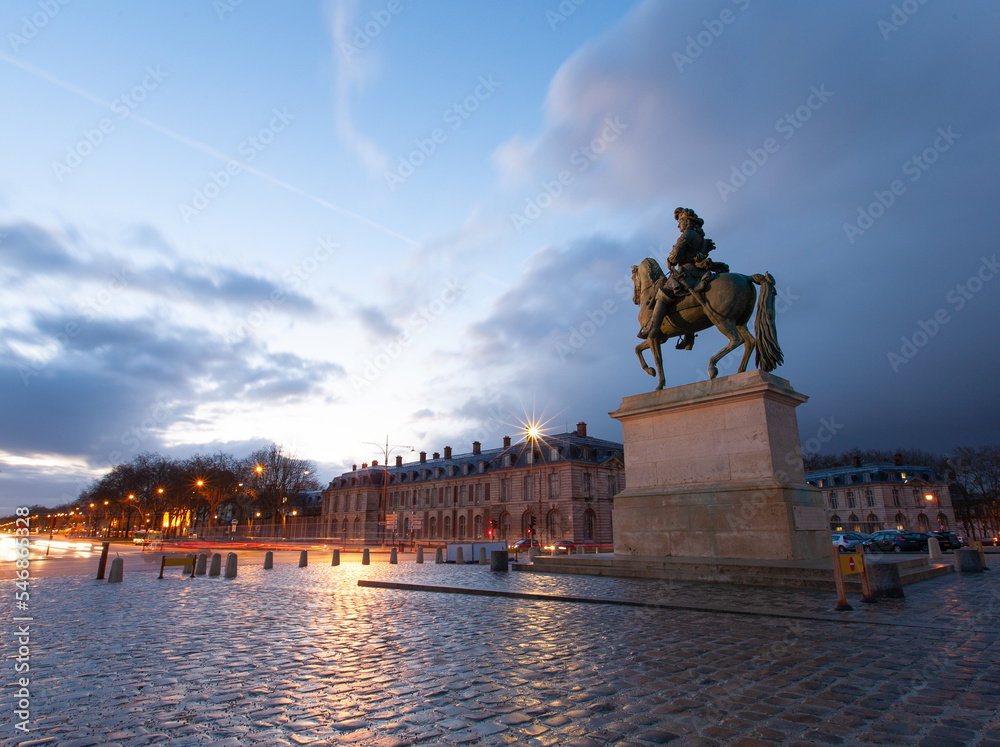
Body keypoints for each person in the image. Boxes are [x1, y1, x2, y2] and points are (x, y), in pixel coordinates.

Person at [638, 208, 727, 346]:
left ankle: (652, 328)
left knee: (662, 294)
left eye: (680, 222)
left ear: (686, 222)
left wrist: (670, 260)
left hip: (686, 273)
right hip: (699, 273)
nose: (678, 225)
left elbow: (675, 254)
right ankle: (688, 337)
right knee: (682, 299)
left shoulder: (687, 235)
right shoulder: (701, 239)